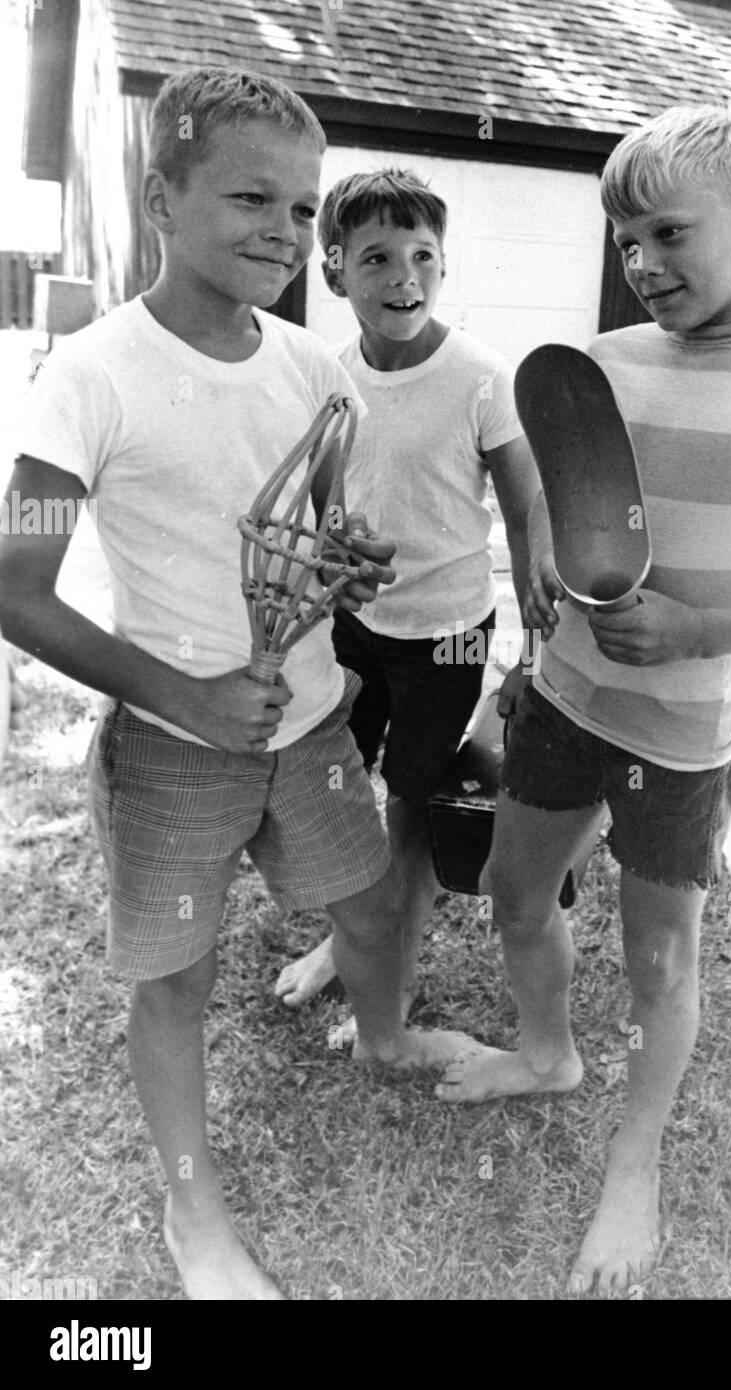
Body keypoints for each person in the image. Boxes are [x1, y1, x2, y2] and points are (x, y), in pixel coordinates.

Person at [0, 67, 481, 1301]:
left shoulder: (314, 372)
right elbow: (14, 583)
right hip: (175, 744)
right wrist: (189, 693)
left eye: (300, 207)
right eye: (250, 197)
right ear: (161, 197)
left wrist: (349, 565)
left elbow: (321, 535)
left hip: (312, 721)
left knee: (367, 910)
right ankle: (190, 1208)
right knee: (176, 977)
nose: (283, 228)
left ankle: (379, 1040)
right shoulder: (86, 379)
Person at [435, 105, 731, 1295]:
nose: (641, 262)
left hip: (685, 737)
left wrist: (709, 627)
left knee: (657, 960)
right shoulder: (600, 360)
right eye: (623, 237)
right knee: (509, 888)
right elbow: (546, 482)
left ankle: (632, 1160)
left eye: (668, 232)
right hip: (560, 696)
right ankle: (547, 1054)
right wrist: (533, 542)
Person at [274, 169, 538, 1022]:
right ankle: (346, 936)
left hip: (450, 634)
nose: (404, 277)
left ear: (443, 267)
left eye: (423, 255)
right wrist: (329, 559)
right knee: (343, 783)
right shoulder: (324, 375)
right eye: (377, 257)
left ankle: (394, 964)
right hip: (353, 629)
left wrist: (534, 644)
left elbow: (528, 511)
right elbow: (319, 502)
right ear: (334, 272)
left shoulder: (481, 377)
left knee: (413, 797)